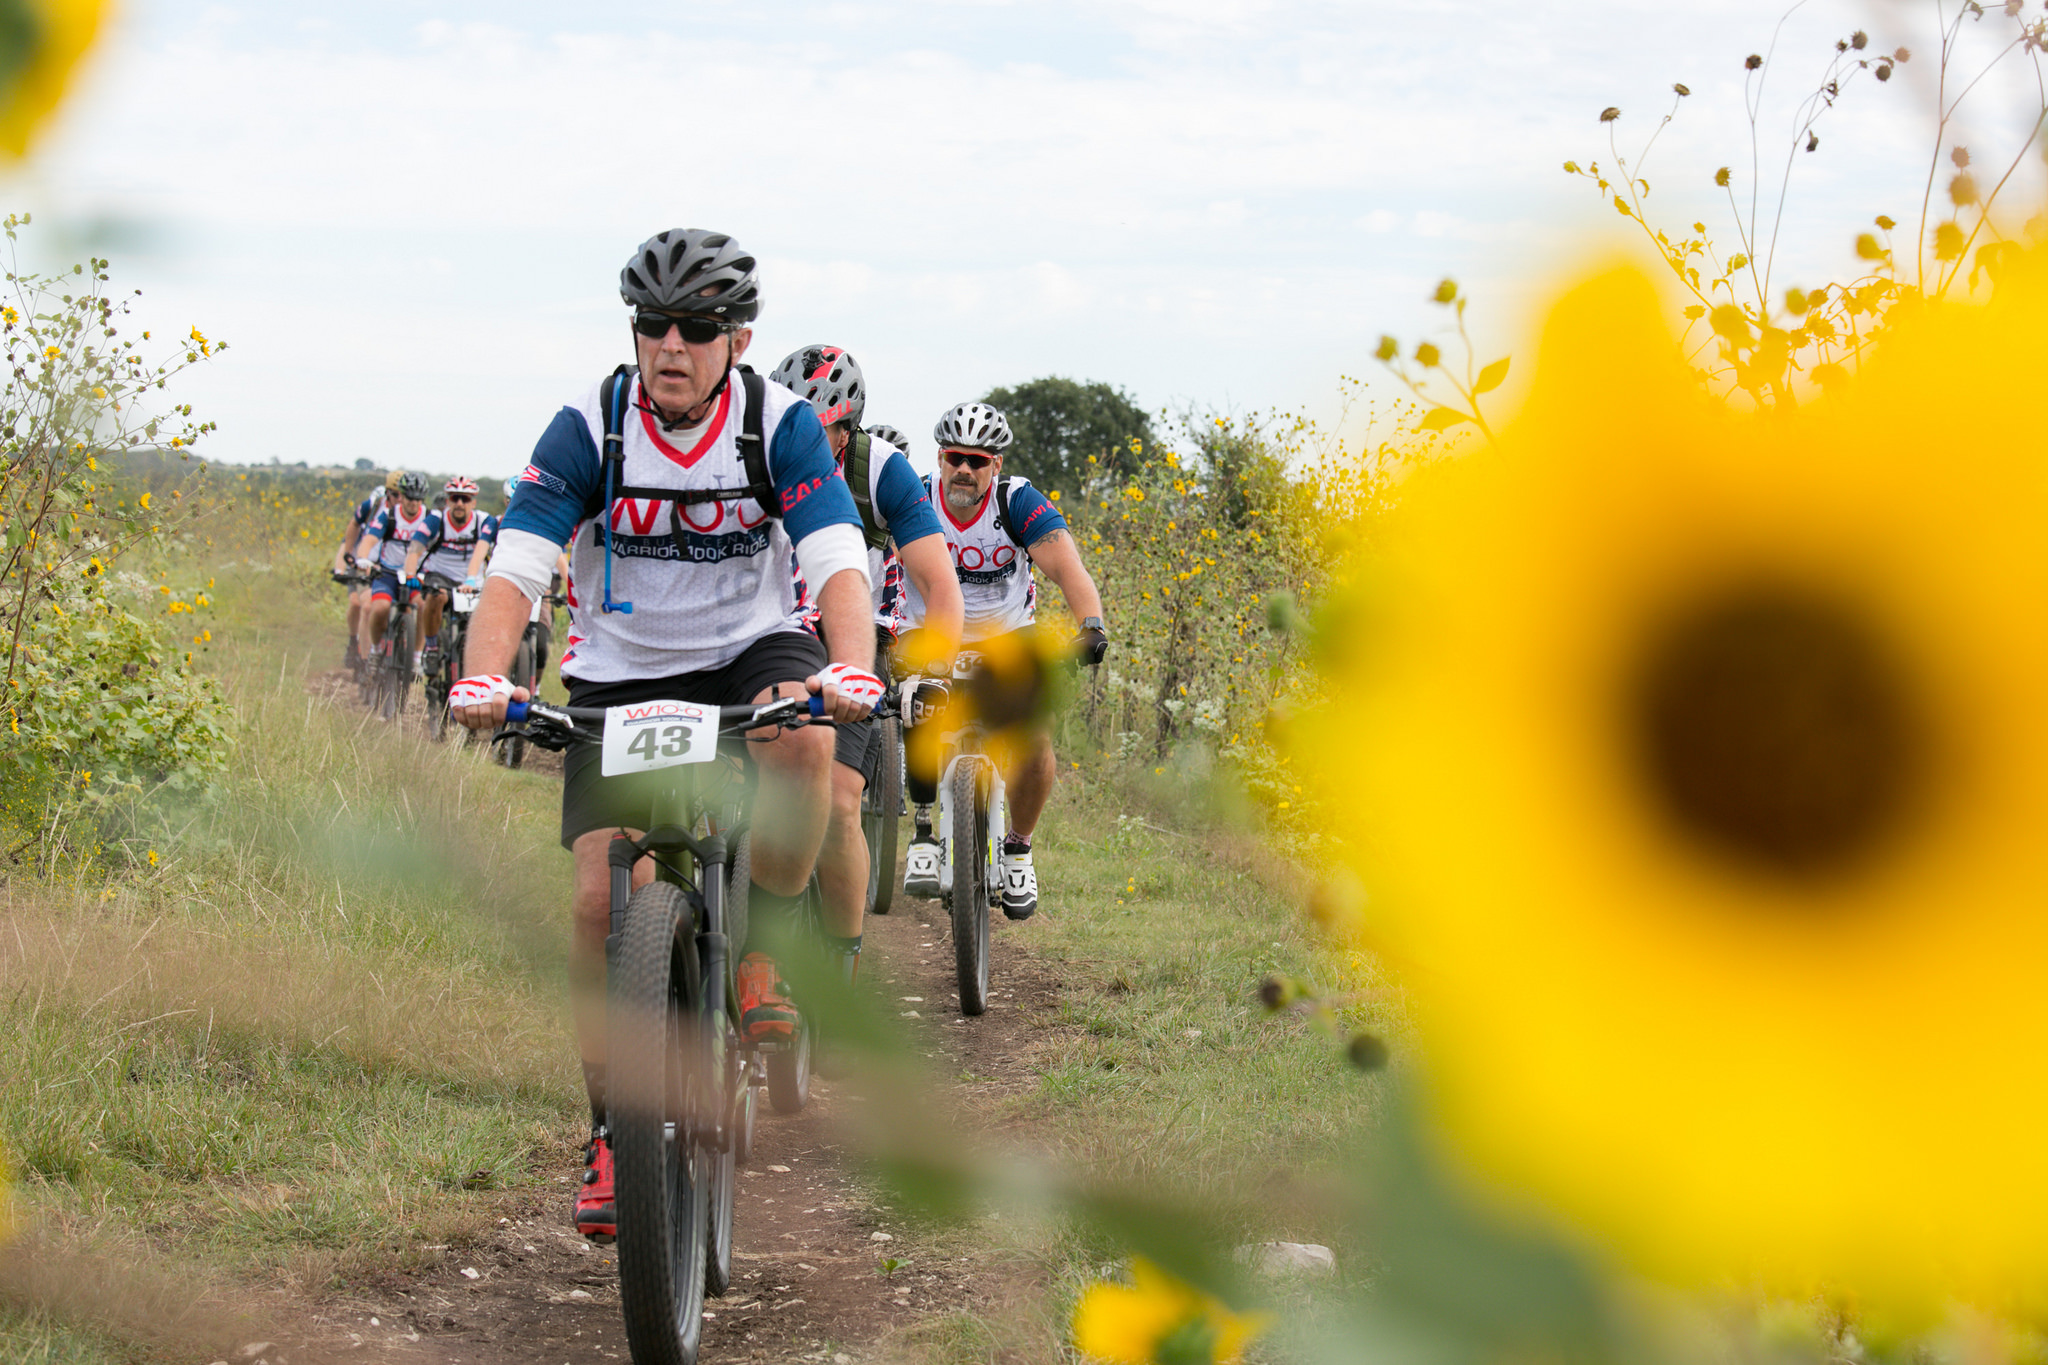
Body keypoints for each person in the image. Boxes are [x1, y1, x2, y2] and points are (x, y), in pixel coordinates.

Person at [446, 228, 881, 1242]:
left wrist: (850, 661)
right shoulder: (588, 427)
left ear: (737, 337)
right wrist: (481, 673)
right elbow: (515, 570)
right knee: (601, 901)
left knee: (806, 743)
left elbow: (833, 559)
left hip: (749, 649)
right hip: (621, 671)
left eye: (695, 328)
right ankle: (611, 1131)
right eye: (652, 325)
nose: (670, 346)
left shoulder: (778, 426)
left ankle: (763, 956)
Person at [769, 344, 964, 983]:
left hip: (854, 641)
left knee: (836, 805)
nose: (793, 439)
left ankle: (842, 958)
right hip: (769, 635)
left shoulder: (883, 473)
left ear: (845, 431)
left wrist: (932, 670)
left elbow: (940, 585)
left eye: (813, 430)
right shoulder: (757, 449)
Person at [899, 401, 1108, 919]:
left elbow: (1067, 568)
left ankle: (1018, 847)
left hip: (1007, 638)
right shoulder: (916, 498)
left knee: (1036, 738)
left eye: (977, 459)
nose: (964, 470)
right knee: (914, 706)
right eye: (954, 458)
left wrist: (1092, 625)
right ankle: (923, 829)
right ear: (940, 458)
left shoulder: (1018, 502)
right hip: (930, 633)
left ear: (995, 464)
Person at [400, 476, 498, 673]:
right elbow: (415, 549)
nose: (460, 503)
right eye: (455, 498)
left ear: (473, 502)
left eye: (465, 499)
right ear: (447, 501)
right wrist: (410, 574)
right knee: (436, 597)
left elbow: (482, 549)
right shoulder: (436, 520)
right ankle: (432, 648)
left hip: (472, 579)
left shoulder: (484, 521)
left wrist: (471, 578)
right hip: (440, 575)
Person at [353, 471, 432, 668]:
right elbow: (369, 539)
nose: (413, 503)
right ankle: (375, 649)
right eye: (408, 498)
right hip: (388, 573)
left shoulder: (429, 518)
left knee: (423, 606)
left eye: (418, 499)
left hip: (414, 575)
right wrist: (363, 559)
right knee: (379, 608)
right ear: (401, 496)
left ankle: (416, 657)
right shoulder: (388, 516)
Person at [333, 472, 400, 669]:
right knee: (361, 605)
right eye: (395, 495)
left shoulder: (406, 517)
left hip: (387, 569)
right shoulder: (370, 511)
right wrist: (344, 563)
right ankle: (360, 652)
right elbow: (347, 543)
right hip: (364, 566)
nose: (400, 500)